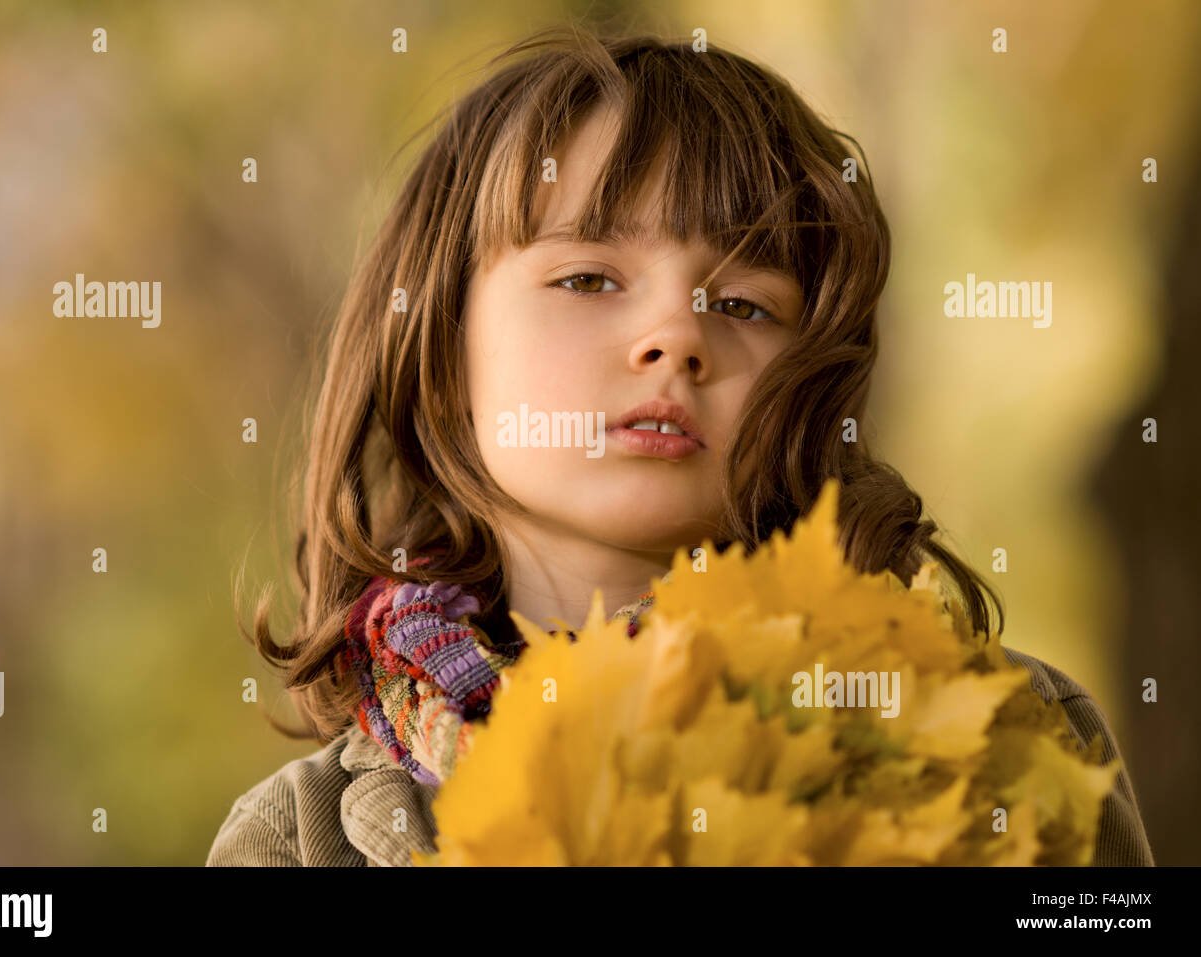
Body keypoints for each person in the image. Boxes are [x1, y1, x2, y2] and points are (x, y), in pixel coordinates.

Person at [206, 25, 1153, 867]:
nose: (678, 333)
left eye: (744, 303)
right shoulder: (298, 839)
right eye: (587, 277)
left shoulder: (1012, 737)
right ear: (440, 356)